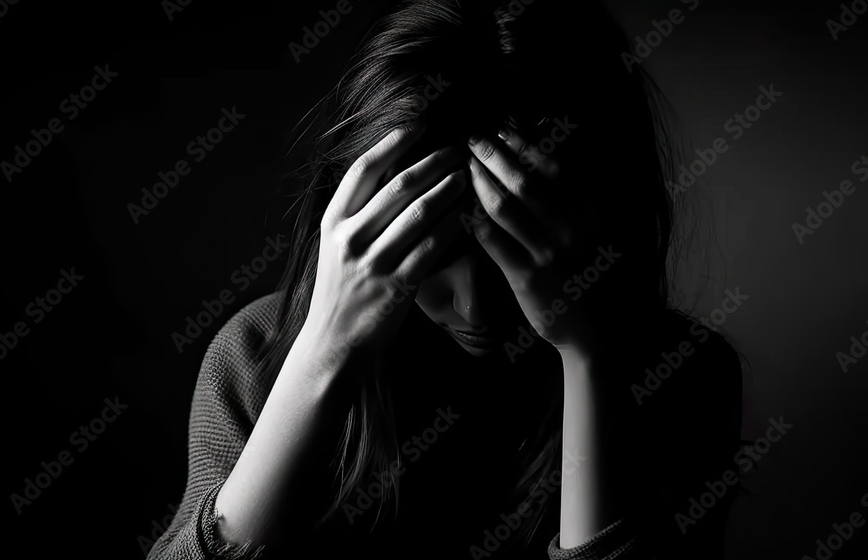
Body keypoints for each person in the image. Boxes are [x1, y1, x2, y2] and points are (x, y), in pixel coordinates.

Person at [147, 1, 742, 558]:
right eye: (428, 252)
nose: (475, 307)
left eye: (517, 251)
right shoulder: (257, 354)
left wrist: (587, 355)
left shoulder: (686, 372)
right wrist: (323, 355)